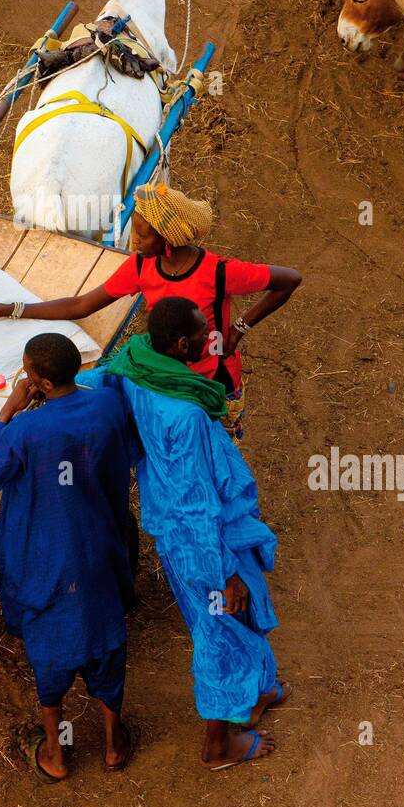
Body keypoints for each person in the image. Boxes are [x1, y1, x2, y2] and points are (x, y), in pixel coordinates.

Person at [80, 296, 291, 769]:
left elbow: (96, 379)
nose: (208, 338)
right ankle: (218, 746)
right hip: (204, 545)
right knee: (218, 628)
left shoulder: (137, 364)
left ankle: (257, 688)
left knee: (245, 609)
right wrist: (223, 576)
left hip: (188, 530)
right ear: (181, 344)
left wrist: (52, 384)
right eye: (201, 333)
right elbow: (198, 505)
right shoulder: (189, 416)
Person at [0, 181, 301, 442]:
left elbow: (289, 279)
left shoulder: (218, 271)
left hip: (209, 380)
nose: (134, 241)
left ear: (168, 240)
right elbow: (82, 305)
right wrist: (9, 308)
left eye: (142, 234)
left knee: (210, 447)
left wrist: (240, 327)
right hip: (161, 374)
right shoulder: (142, 266)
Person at [0, 333, 138, 781]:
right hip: (98, 546)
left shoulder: (26, 429)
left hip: (45, 555)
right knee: (104, 640)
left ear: (38, 382)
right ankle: (113, 746)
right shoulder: (105, 405)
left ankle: (56, 754)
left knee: (50, 649)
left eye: (26, 372)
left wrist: (8, 411)